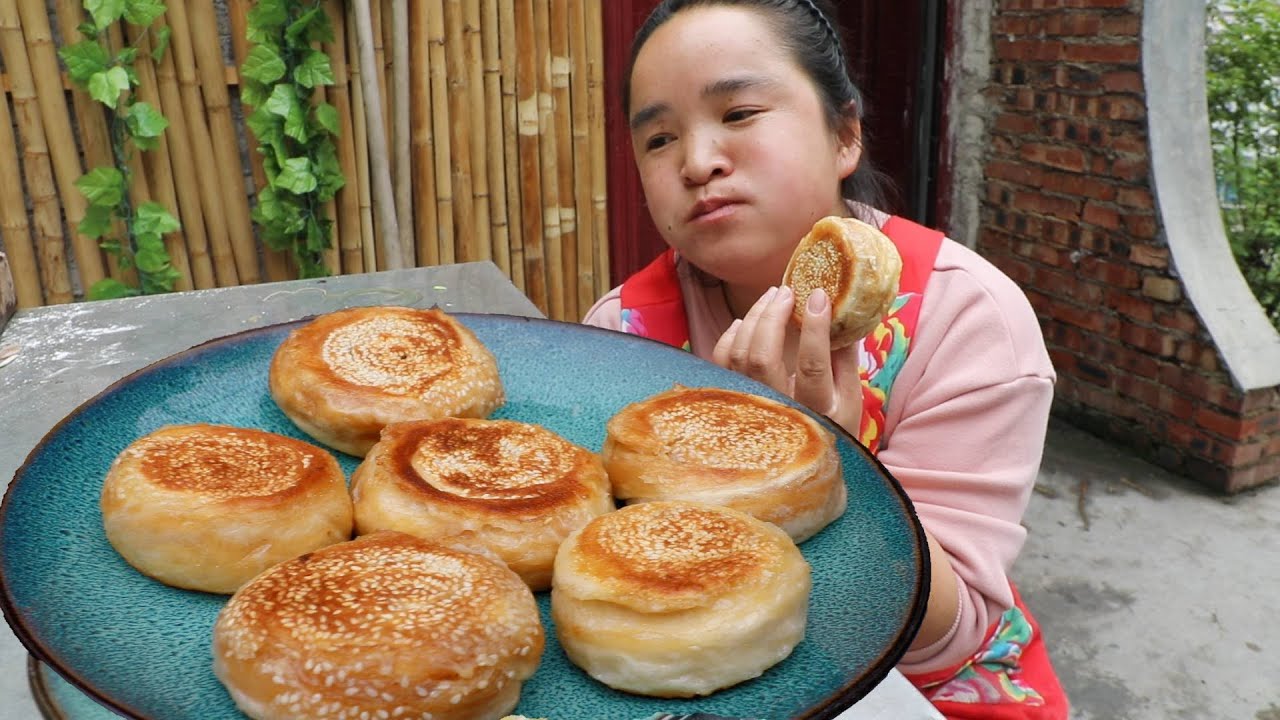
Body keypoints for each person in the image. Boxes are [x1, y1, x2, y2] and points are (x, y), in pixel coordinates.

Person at [581, 1, 1068, 718]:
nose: (697, 161)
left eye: (739, 112)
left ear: (844, 135)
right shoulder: (617, 332)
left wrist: (828, 467)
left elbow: (950, 630)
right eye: (658, 139)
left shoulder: (964, 320)